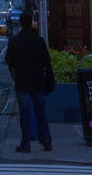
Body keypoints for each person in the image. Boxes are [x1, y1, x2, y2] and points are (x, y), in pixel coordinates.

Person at [4, 11, 54, 153]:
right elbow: (47, 61)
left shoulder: (14, 41)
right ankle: (46, 140)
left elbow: (9, 60)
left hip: (22, 82)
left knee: (25, 114)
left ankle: (25, 144)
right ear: (31, 23)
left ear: (20, 24)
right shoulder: (39, 40)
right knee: (41, 112)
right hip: (37, 81)